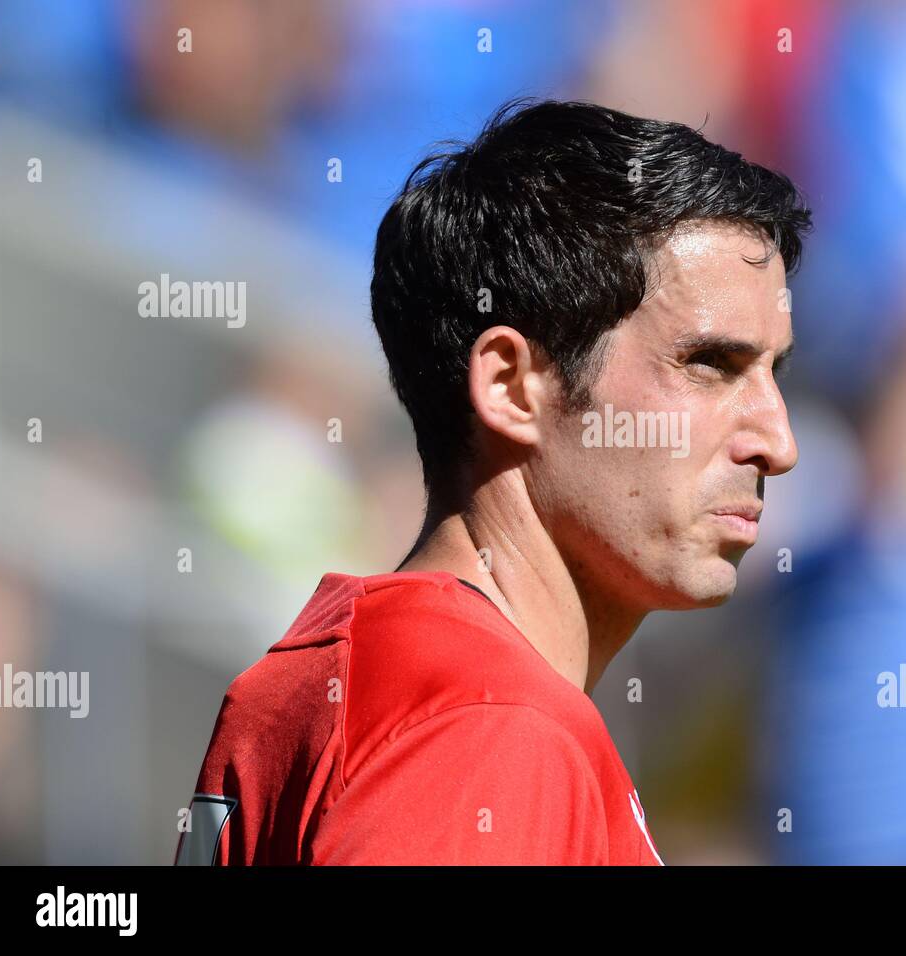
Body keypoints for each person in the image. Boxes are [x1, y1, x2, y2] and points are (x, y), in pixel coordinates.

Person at [176, 97, 811, 865]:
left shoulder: (353, 677)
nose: (778, 443)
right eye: (711, 365)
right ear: (513, 387)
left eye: (774, 373)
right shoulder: (489, 722)